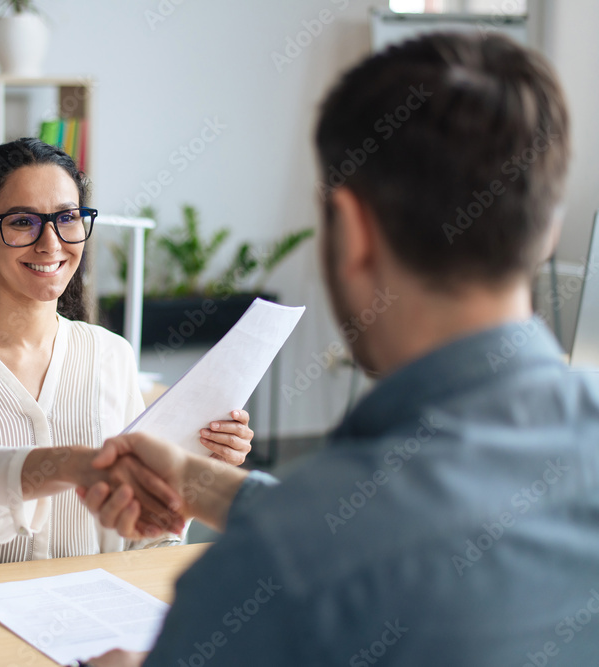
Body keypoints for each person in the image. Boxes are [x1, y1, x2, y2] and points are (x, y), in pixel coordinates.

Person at [76, 33, 599, 666]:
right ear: (547, 227)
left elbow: (340, 536)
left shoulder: (280, 565)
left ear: (351, 229)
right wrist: (193, 480)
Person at [0, 138, 253, 570]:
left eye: (67, 218)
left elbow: (144, 533)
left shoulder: (110, 353)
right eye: (23, 221)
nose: (51, 242)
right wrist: (78, 464)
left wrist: (198, 465)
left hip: (100, 600)